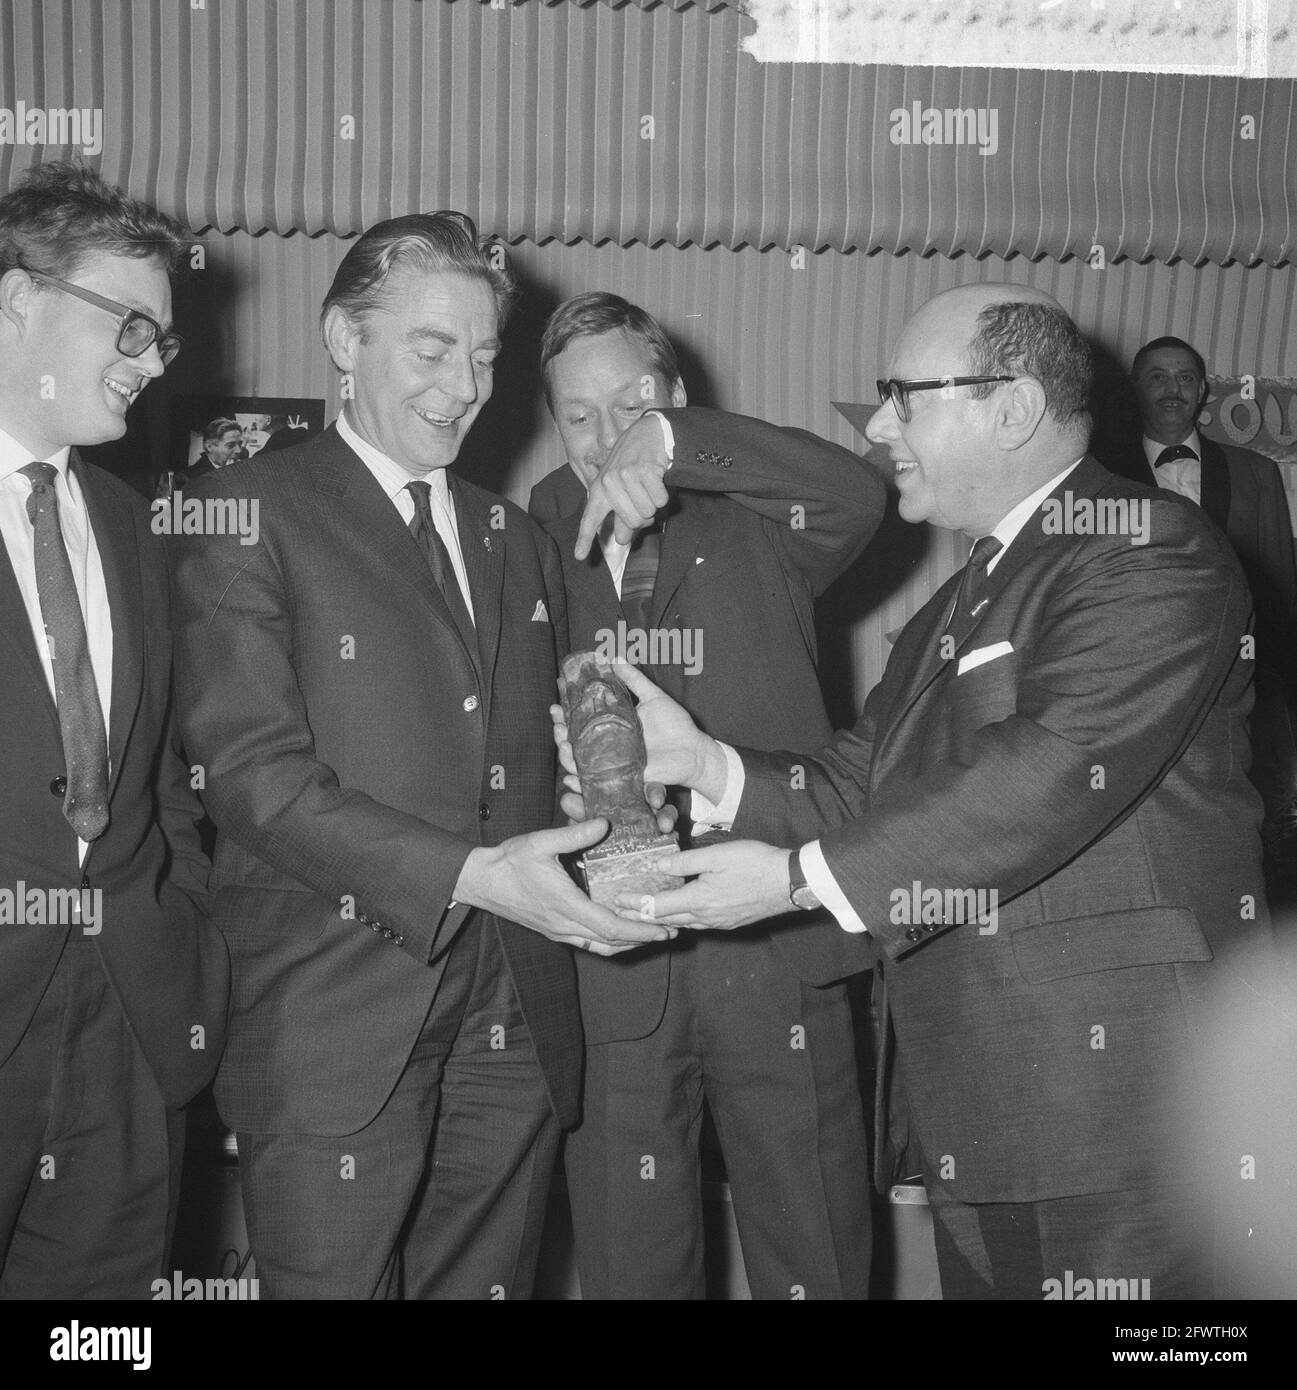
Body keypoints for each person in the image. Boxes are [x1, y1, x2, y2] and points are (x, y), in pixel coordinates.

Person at [562, 284, 1277, 1299]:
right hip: (981, 1112)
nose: (880, 422)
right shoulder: (958, 598)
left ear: (1014, 407)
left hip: (1118, 1111)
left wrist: (795, 879)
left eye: (906, 395)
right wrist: (703, 763)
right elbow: (865, 775)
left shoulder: (1143, 545)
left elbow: (1047, 767)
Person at [169, 212, 667, 1300]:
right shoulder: (242, 512)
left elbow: (539, 746)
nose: (465, 386)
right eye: (432, 350)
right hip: (335, 1021)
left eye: (485, 357)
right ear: (343, 342)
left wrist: (601, 798)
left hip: (516, 1013)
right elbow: (253, 774)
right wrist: (472, 874)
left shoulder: (515, 538)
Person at [530, 291, 883, 1299]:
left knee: (813, 1252)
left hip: (776, 946)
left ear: (676, 397)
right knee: (631, 1265)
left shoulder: (766, 516)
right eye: (578, 414)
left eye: (630, 402)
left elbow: (862, 496)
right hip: (612, 961)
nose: (604, 436)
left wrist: (670, 443)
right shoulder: (519, 538)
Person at [0, 162, 228, 1297]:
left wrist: (176, 925)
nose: (149, 361)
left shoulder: (137, 527)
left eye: (162, 341)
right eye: (129, 325)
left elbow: (166, 785)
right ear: (17, 302)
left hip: (129, 1032)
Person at [1102, 335, 1297, 887]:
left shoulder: (1257, 472)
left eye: (1185, 377)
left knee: (1257, 828)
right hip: (1138, 688)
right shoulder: (1097, 479)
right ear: (1135, 389)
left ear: (1203, 390)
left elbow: (1280, 585)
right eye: (1158, 376)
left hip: (1246, 686)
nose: (1173, 388)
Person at [185, 415, 243, 481]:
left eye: (240, 444)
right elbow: (177, 491)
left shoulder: (238, 473)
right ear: (209, 446)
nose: (239, 450)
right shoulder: (188, 478)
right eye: (230, 445)